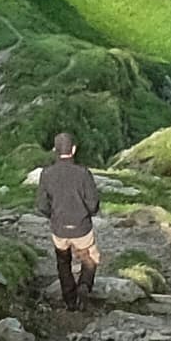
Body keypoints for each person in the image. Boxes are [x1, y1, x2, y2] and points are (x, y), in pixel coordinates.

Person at [34, 125, 105, 311]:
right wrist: (87, 213)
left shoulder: (46, 174)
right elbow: (93, 204)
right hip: (81, 228)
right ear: (73, 149)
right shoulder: (83, 173)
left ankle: (69, 300)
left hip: (59, 228)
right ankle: (84, 285)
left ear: (55, 151)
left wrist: (54, 215)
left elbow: (41, 205)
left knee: (63, 261)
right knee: (90, 257)